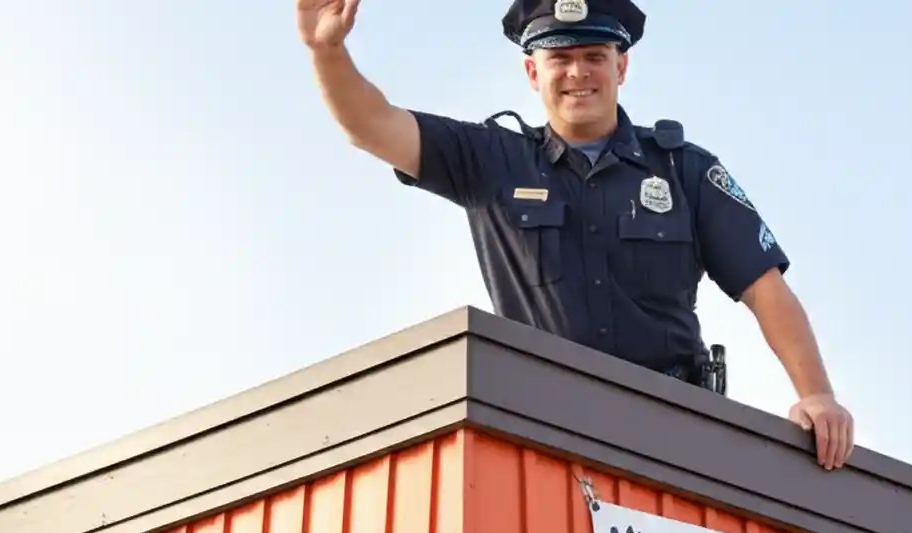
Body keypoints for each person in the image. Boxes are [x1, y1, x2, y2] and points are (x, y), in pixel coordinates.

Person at [297, 0, 856, 470]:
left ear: (622, 67)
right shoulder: (493, 161)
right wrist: (328, 52)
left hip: (676, 437)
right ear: (532, 73)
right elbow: (371, 126)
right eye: (560, 57)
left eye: (595, 56)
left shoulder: (683, 170)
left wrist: (816, 394)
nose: (578, 73)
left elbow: (764, 287)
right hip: (542, 433)